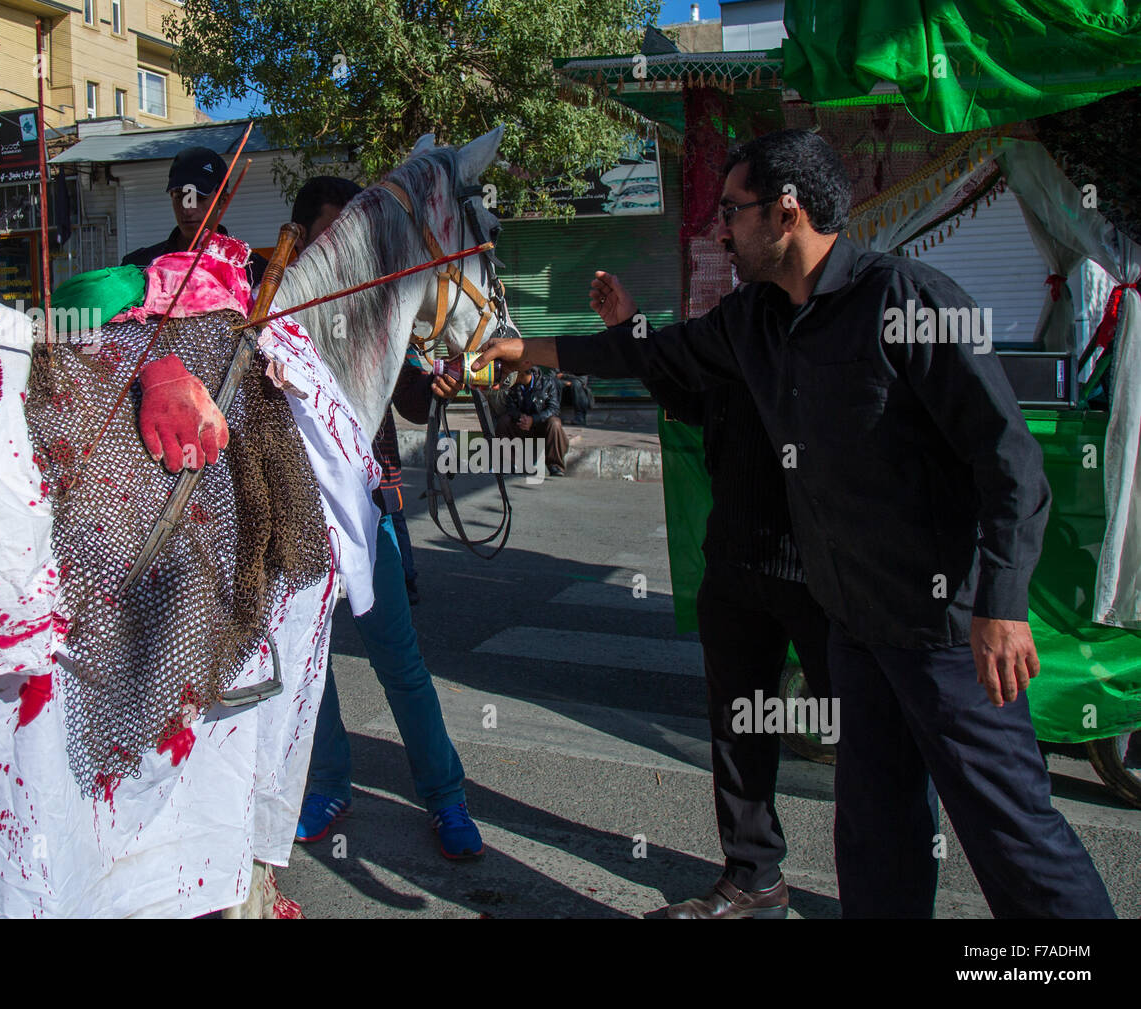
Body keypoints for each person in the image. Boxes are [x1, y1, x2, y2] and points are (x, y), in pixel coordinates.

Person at [473, 128, 1115, 918]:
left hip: (949, 633)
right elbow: (650, 355)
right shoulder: (757, 321)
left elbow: (1010, 461)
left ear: (786, 212)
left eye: (733, 212)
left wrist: (1003, 603)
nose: (721, 230)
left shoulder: (908, 301)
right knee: (876, 836)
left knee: (1013, 838)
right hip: (855, 630)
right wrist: (523, 350)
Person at [289, 177, 483, 860]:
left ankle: (447, 795)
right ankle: (326, 781)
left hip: (371, 514)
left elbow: (412, 402)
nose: (349, 243)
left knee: (399, 660)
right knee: (310, 666)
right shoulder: (276, 312)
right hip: (293, 509)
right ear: (305, 236)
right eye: (335, 229)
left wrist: (437, 382)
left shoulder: (377, 306)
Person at [650, 376, 831, 919]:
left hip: (834, 573)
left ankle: (891, 901)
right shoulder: (741, 316)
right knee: (740, 726)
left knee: (877, 746)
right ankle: (754, 878)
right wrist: (624, 327)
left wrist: (1000, 595)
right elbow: (691, 394)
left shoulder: (875, 301)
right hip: (739, 561)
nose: (732, 282)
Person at [122, 146, 269, 288]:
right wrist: (97, 311)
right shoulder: (138, 266)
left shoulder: (252, 271)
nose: (187, 210)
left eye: (199, 197)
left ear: (223, 201)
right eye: (180, 197)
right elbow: (99, 307)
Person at [496, 364, 568, 477]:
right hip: (521, 425)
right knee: (504, 421)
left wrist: (533, 420)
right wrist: (521, 417)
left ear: (523, 373)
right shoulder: (513, 386)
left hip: (541, 426)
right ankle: (510, 462)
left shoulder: (547, 383)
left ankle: (555, 465)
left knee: (555, 423)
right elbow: (510, 407)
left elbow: (553, 409)